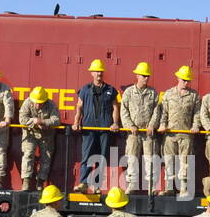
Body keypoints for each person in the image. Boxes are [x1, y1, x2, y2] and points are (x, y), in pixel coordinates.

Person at [70, 59, 119, 194]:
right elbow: (79, 108)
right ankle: (84, 183)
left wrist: (115, 123)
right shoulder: (84, 90)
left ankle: (97, 185)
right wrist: (76, 122)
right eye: (96, 71)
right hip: (89, 129)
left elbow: (115, 108)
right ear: (91, 73)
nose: (99, 73)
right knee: (86, 157)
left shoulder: (110, 90)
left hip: (104, 129)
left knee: (101, 158)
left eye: (100, 71)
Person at [155, 65, 199, 197]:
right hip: (170, 134)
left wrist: (196, 125)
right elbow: (164, 112)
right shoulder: (168, 94)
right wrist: (162, 125)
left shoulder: (194, 95)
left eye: (188, 80)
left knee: (184, 162)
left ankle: (183, 188)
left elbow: (197, 113)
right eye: (184, 79)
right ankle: (169, 188)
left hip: (186, 134)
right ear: (178, 78)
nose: (186, 82)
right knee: (169, 161)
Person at [119, 62, 159, 193]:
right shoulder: (129, 92)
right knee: (132, 158)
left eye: (148, 76)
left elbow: (156, 111)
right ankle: (132, 184)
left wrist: (152, 125)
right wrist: (130, 125)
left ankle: (151, 187)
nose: (146, 78)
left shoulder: (153, 93)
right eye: (144, 76)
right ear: (137, 76)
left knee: (150, 159)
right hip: (133, 133)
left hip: (148, 133)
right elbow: (123, 110)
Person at [18, 86, 60, 190]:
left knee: (46, 157)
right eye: (36, 102)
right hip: (30, 133)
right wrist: (35, 121)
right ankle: (26, 181)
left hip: (46, 135)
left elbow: (56, 120)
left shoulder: (50, 104)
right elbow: (22, 119)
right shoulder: (27, 102)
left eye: (40, 102)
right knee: (28, 154)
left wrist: (44, 122)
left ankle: (40, 181)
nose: (37, 104)